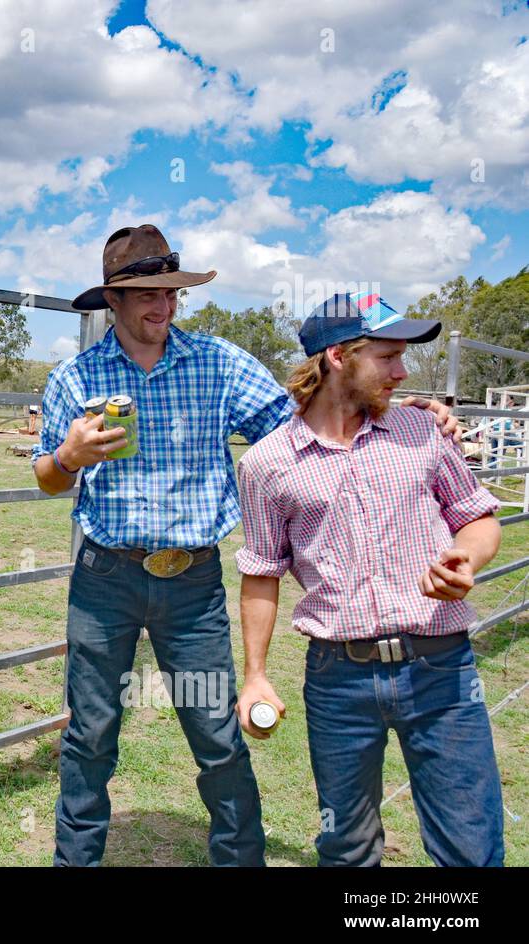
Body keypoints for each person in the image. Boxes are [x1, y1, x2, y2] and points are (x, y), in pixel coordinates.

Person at [33, 224, 460, 866]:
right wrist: (67, 454)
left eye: (171, 291)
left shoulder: (219, 362)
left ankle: (240, 858)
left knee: (217, 733)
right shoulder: (75, 375)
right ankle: (76, 860)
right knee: (90, 733)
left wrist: (396, 406)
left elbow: (304, 422)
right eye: (147, 292)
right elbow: (45, 478)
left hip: (193, 583)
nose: (163, 305)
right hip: (104, 581)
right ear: (113, 301)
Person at [235, 292, 504, 866]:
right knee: (347, 847)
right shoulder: (266, 463)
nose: (402, 372)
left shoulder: (422, 432)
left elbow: (477, 519)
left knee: (471, 844)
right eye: (386, 357)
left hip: (442, 669)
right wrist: (255, 675)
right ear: (337, 355)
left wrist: (466, 559)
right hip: (338, 680)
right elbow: (261, 573)